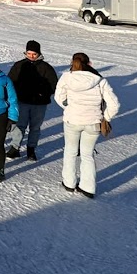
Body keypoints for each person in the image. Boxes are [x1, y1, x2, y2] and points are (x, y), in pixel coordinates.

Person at [55, 52, 120, 198]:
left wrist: (68, 107)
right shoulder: (99, 80)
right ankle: (88, 187)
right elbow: (114, 104)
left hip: (72, 120)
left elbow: (59, 97)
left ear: (72, 63)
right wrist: (106, 117)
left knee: (70, 152)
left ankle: (69, 183)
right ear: (89, 63)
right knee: (87, 155)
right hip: (93, 122)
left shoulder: (66, 77)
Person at [6, 40, 58, 160]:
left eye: (34, 54)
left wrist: (43, 93)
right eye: (29, 53)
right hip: (22, 101)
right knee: (19, 125)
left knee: (35, 127)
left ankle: (31, 149)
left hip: (39, 104)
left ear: (39, 54)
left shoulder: (46, 68)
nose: (31, 56)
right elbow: (10, 81)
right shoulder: (19, 65)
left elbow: (53, 85)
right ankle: (15, 147)